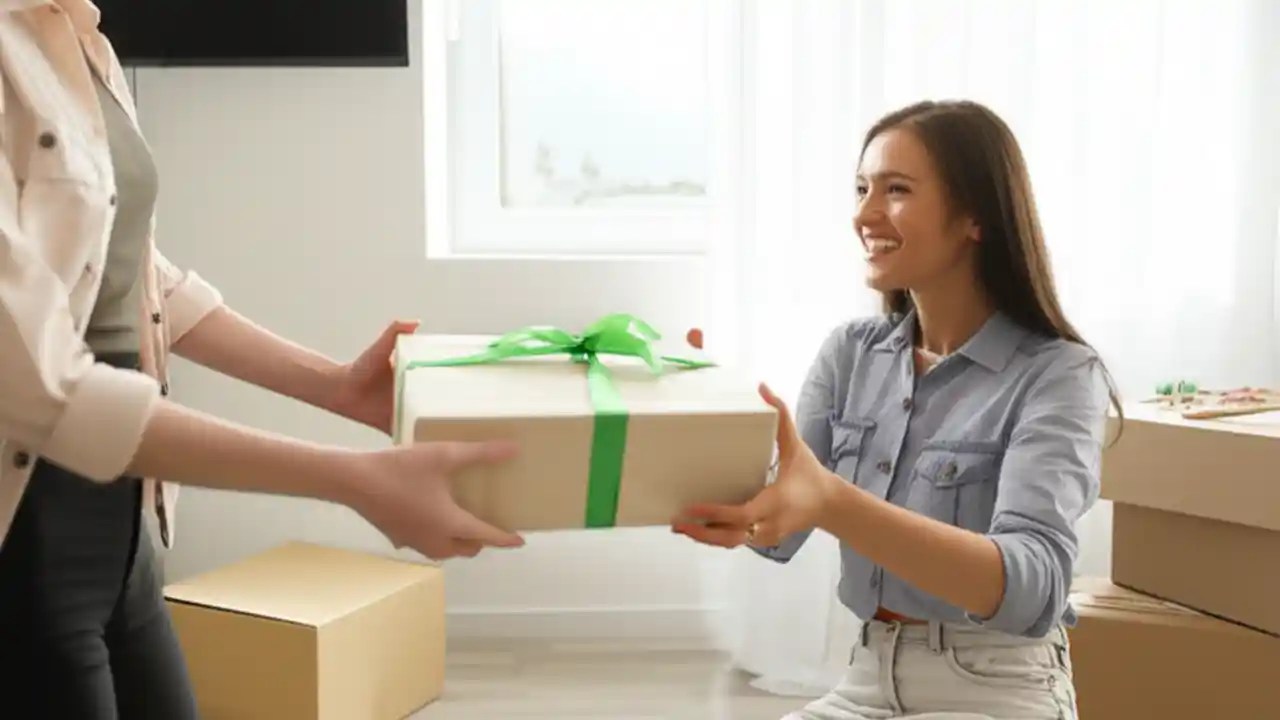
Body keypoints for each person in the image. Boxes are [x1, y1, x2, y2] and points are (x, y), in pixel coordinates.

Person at [0, 1, 582, 716]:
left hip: (125, 531)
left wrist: (337, 387)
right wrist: (354, 480)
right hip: (25, 536)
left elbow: (138, 276)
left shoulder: (77, 38)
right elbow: (42, 392)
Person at [672, 99, 1120, 719]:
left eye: (897, 189)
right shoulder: (851, 354)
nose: (864, 214)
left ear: (976, 217)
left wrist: (832, 499)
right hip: (865, 678)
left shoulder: (1059, 373)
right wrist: (687, 416)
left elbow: (1033, 586)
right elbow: (777, 530)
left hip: (996, 685)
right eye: (861, 189)